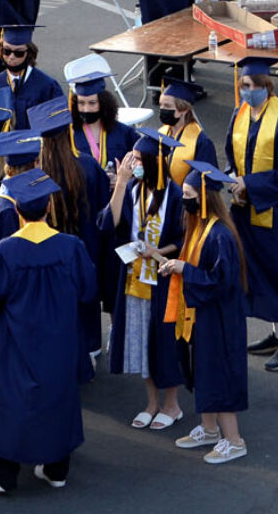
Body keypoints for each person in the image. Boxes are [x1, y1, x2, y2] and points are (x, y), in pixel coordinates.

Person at [0, 168, 98, 493]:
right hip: (60, 343)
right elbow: (88, 292)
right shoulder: (71, 247)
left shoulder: (4, 252)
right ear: (48, 208)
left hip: (17, 343)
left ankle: (3, 476)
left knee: (12, 403)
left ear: (17, 210)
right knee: (58, 399)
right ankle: (56, 470)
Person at [158, 162, 249, 464]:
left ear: (204, 197)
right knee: (204, 371)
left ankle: (234, 440)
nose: (184, 199)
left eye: (188, 194)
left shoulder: (220, 236)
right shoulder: (200, 227)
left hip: (220, 318)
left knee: (219, 374)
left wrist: (185, 269)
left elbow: (220, 283)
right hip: (203, 315)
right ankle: (210, 429)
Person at [223, 59, 278, 374]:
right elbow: (233, 151)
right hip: (248, 208)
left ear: (265, 87)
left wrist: (251, 184)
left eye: (249, 87)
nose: (245, 92)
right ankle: (275, 334)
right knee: (256, 270)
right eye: (242, 86)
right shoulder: (241, 113)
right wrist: (233, 177)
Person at [103, 131, 186, 431]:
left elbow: (181, 240)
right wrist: (121, 183)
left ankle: (172, 405)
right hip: (134, 278)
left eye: (138, 159)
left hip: (163, 280)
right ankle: (151, 403)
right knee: (141, 343)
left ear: (153, 162)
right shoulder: (134, 189)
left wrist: (157, 252)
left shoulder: (175, 196)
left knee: (165, 343)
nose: (132, 162)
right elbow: (109, 224)